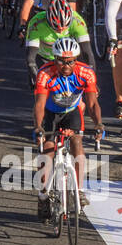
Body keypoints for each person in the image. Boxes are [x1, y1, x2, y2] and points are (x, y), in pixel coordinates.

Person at [32, 37, 102, 220]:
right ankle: (43, 195)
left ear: (76, 59)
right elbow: (39, 104)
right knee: (47, 149)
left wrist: (98, 125)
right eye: (61, 61)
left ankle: (78, 190)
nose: (66, 65)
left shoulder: (85, 72)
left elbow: (93, 103)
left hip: (72, 112)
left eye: (70, 61)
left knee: (77, 143)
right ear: (54, 59)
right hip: (50, 113)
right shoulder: (45, 73)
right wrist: (38, 127)